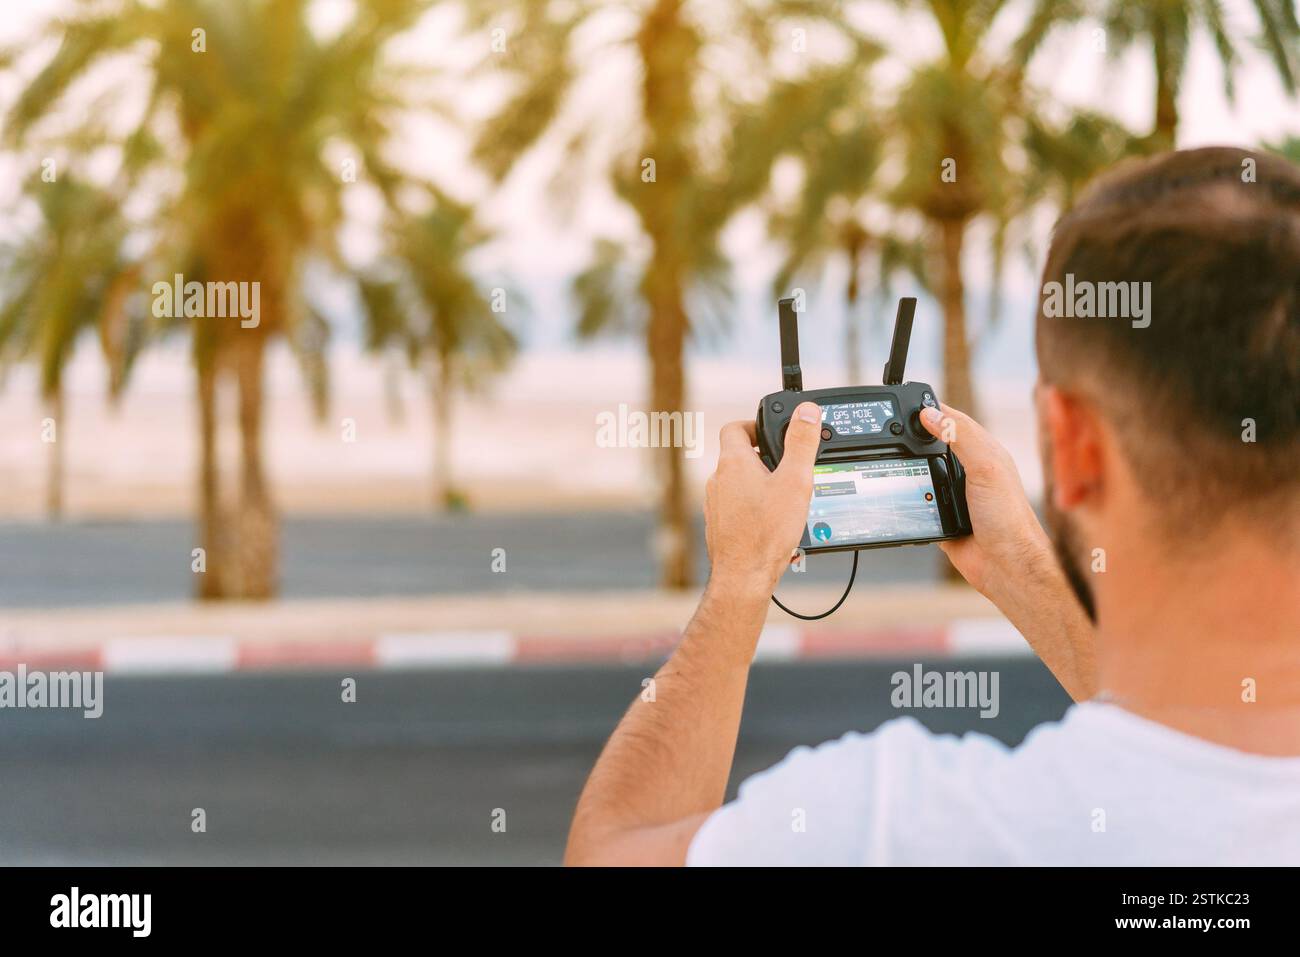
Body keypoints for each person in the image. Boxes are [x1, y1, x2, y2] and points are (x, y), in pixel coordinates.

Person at [564, 147, 1300, 866]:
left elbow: (609, 852)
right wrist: (1016, 565)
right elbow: (1177, 750)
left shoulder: (889, 824)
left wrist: (739, 581)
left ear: (1073, 445)